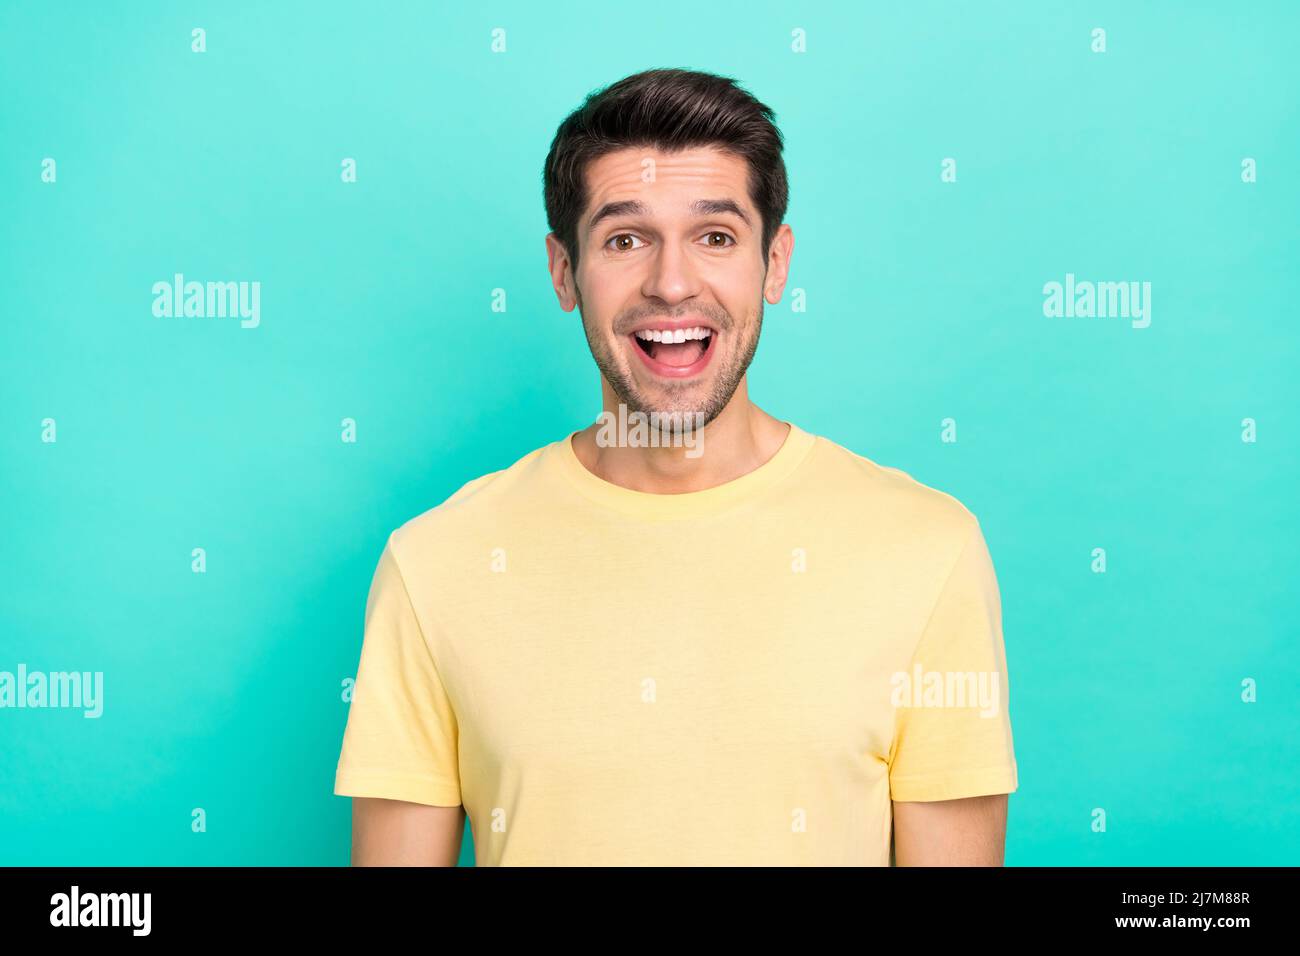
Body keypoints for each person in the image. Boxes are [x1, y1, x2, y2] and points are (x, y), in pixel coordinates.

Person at [334, 67, 1018, 866]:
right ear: (564, 272)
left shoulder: (927, 551)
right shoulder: (436, 562)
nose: (672, 282)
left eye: (716, 237)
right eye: (626, 239)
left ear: (776, 263)